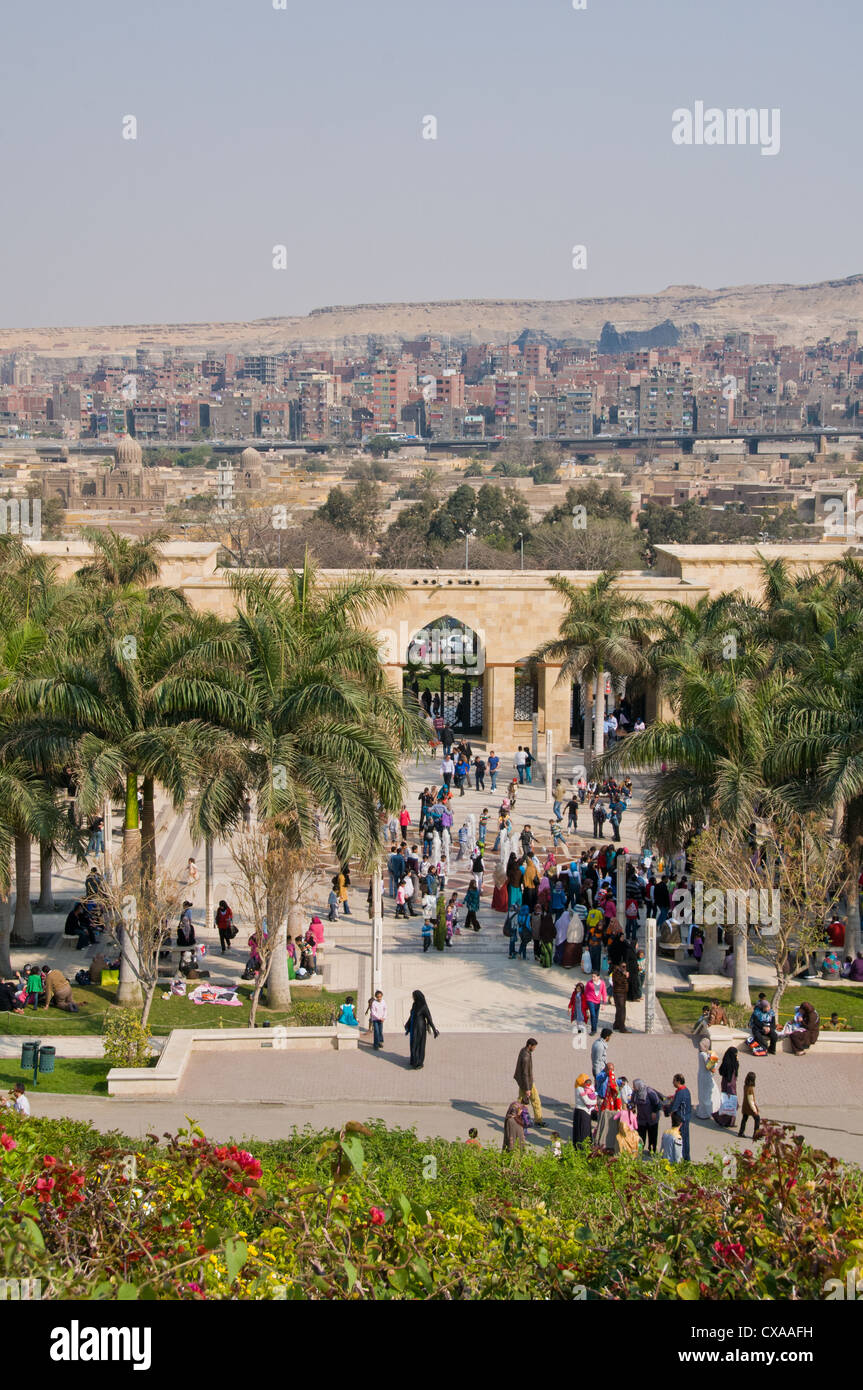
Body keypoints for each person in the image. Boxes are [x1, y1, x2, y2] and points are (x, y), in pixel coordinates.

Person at [514, 1038, 544, 1127]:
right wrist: (528, 1088)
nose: (534, 1048)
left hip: (522, 1081)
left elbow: (525, 1071)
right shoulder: (526, 1057)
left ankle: (516, 1117)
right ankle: (538, 1120)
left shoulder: (523, 1050)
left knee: (521, 1100)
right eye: (534, 1047)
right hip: (527, 1083)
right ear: (529, 1045)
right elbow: (525, 1073)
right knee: (536, 1100)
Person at [405, 990, 439, 1068]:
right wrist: (408, 1025)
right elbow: (412, 1015)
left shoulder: (424, 1006)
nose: (412, 997)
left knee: (419, 1044)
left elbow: (429, 1018)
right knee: (413, 1044)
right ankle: (413, 1060)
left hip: (420, 1028)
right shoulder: (414, 1004)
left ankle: (419, 1063)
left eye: (413, 996)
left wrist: (434, 1030)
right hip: (414, 1028)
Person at [632, 1078, 663, 1155]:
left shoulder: (649, 1092)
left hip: (652, 1119)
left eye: (634, 1086)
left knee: (652, 1136)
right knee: (640, 1136)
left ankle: (652, 1150)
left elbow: (657, 1103)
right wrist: (632, 1108)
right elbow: (632, 1102)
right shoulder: (635, 1093)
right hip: (641, 1119)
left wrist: (654, 1112)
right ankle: (640, 1150)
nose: (633, 1088)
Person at [713, 1047, 739, 1128]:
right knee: (732, 1105)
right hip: (730, 1087)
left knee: (727, 1104)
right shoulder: (731, 1064)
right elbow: (731, 1079)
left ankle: (726, 1121)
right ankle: (723, 1120)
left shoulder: (726, 1062)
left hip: (726, 1085)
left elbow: (721, 1072)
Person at [695, 1037, 721, 1118]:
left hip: (701, 1075)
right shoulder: (704, 1055)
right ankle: (707, 1111)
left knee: (703, 1093)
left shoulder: (701, 1053)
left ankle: (703, 1111)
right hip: (706, 1076)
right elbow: (709, 1067)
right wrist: (715, 1062)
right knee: (709, 1093)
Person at [669, 1074, 692, 1161]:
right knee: (685, 1138)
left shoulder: (680, 1093)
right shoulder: (685, 1090)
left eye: (674, 1080)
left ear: (678, 1081)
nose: (673, 1082)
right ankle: (686, 1158)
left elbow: (674, 1107)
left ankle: (682, 1158)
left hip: (680, 1120)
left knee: (681, 1139)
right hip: (686, 1117)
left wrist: (668, 1111)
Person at [572, 1073, 596, 1148]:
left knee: (583, 1130)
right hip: (582, 1113)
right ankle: (583, 1147)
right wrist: (596, 1102)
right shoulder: (580, 1089)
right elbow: (587, 1101)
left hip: (582, 1112)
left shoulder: (580, 1087)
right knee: (583, 1131)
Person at [738, 1071, 761, 1139]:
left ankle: (741, 1132)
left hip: (745, 1106)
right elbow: (751, 1101)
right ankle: (755, 1135)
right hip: (749, 1107)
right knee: (757, 1118)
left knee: (744, 1118)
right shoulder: (750, 1089)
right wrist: (755, 1110)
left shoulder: (745, 1086)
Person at [611, 960, 629, 1033]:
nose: (624, 968)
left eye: (625, 967)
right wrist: (624, 975)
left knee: (619, 1009)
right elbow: (619, 982)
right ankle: (622, 1027)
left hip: (623, 993)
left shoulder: (620, 972)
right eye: (623, 966)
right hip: (619, 993)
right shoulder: (616, 973)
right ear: (620, 966)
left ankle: (616, 1024)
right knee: (622, 1010)